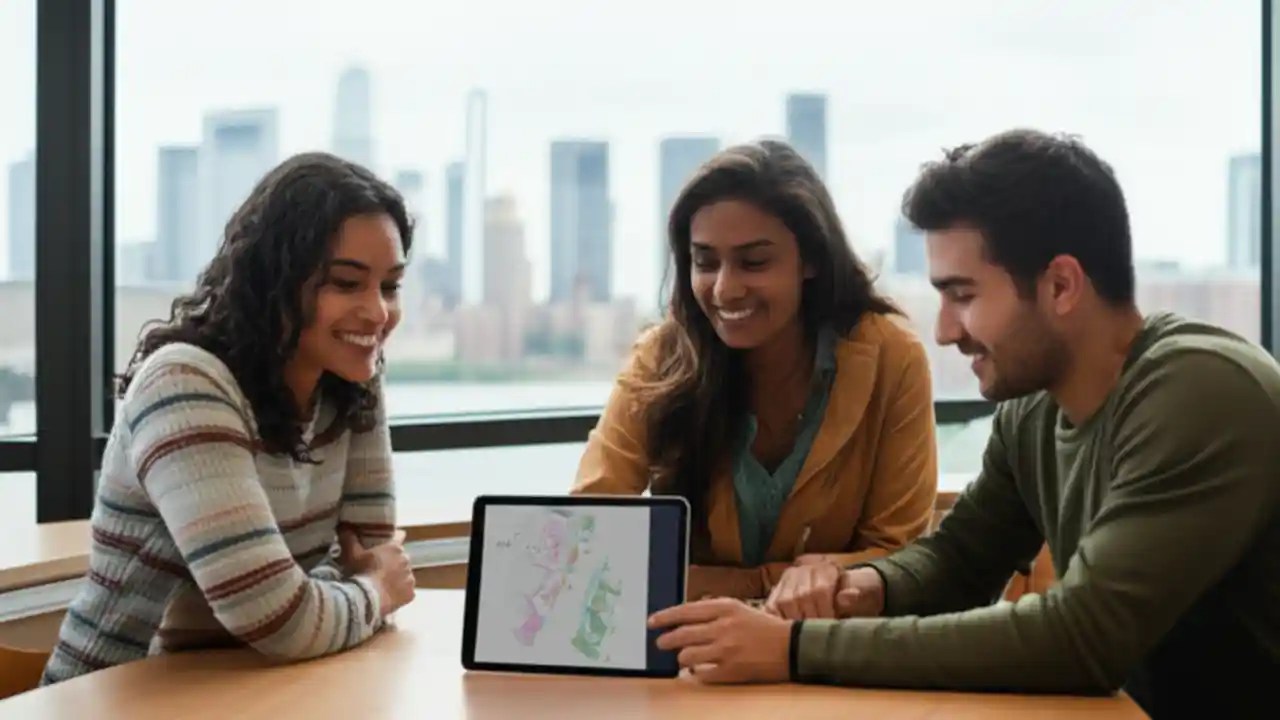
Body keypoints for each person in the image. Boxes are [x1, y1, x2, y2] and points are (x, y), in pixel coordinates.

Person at [647, 129, 1280, 717]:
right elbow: (959, 562)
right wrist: (860, 588)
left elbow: (1081, 637)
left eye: (963, 296)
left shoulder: (1202, 389)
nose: (946, 331)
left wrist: (791, 648)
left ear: (1061, 285)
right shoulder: (1032, 408)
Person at [41, 153, 417, 685]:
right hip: (115, 697)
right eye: (346, 283)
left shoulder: (353, 381)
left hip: (259, 690)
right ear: (276, 279)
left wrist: (321, 600)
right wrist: (371, 593)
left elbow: (364, 554)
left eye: (390, 286)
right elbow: (286, 621)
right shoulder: (184, 386)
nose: (379, 313)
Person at [573, 140, 938, 607]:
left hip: (831, 654)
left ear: (811, 259)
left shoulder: (893, 358)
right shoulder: (661, 357)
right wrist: (774, 582)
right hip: (690, 659)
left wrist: (699, 583)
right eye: (705, 262)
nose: (724, 288)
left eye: (754, 262)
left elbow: (897, 558)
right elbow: (589, 535)